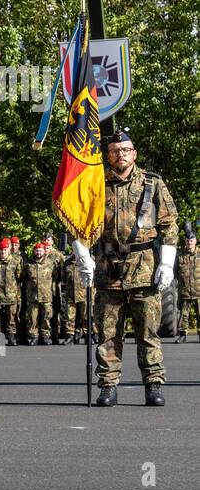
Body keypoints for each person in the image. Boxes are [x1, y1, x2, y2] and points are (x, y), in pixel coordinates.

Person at [74, 129, 177, 407]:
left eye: (126, 149)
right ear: (108, 155)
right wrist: (82, 255)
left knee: (148, 332)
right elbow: (81, 223)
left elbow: (169, 225)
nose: (121, 154)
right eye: (116, 150)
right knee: (108, 333)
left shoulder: (152, 184)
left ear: (135, 153)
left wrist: (167, 263)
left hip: (144, 269)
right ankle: (108, 386)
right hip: (108, 269)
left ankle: (153, 384)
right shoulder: (95, 183)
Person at [22, 239, 59, 345]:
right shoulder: (28, 264)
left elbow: (56, 276)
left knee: (46, 317)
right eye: (37, 250)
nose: (38, 253)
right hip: (32, 296)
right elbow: (24, 277)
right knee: (32, 318)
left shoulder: (51, 263)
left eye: (40, 250)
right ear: (34, 251)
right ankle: (33, 336)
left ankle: (45, 336)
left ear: (44, 251)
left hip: (46, 295)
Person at [0, 237, 21, 345]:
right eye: (1, 250)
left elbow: (19, 277)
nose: (3, 252)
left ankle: (11, 336)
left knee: (11, 318)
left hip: (11, 295)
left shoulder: (16, 261)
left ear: (9, 250)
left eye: (5, 250)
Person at [174, 225, 198, 342]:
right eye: (188, 240)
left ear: (195, 241)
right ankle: (182, 335)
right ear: (185, 241)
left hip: (199, 291)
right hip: (184, 291)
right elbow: (174, 272)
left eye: (191, 240)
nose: (189, 242)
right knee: (183, 315)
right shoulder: (179, 255)